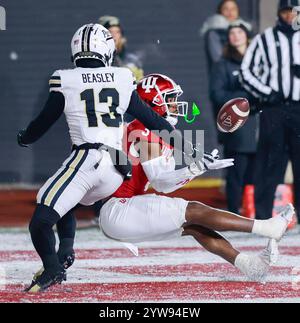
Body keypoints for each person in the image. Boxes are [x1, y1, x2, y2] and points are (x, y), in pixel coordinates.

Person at [17, 24, 206, 292]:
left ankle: (53, 268)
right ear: (106, 49)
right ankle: (66, 251)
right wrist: (189, 149)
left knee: (41, 220)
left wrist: (24, 138)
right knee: (68, 200)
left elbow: (43, 122)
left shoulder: (64, 78)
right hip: (117, 166)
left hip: (87, 158)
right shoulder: (121, 76)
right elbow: (152, 119)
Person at [98, 74, 294, 282]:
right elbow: (161, 182)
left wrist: (197, 168)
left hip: (124, 210)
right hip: (118, 209)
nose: (175, 104)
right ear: (153, 101)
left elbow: (166, 183)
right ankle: (267, 227)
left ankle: (252, 267)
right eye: (170, 98)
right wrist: (194, 168)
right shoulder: (143, 129)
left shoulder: (161, 131)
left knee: (195, 226)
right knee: (193, 210)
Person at [240, 0, 300, 221]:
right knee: (269, 162)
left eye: (293, 12)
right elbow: (245, 72)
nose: (289, 16)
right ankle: (263, 217)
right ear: (279, 13)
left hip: (299, 108)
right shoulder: (264, 39)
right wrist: (267, 92)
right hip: (273, 109)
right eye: (285, 12)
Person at [210, 22, 258, 214]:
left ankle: (257, 211)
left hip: (261, 128)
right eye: (232, 32)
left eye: (240, 32)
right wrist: (245, 99)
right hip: (238, 130)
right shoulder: (222, 65)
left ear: (247, 36)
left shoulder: (259, 62)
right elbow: (216, 94)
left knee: (259, 174)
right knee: (237, 174)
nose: (236, 35)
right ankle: (233, 213)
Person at [201, 0, 252, 73]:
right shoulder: (214, 33)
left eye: (233, 9)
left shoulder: (246, 30)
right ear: (220, 11)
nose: (230, 12)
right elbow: (217, 59)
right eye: (226, 9)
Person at [98, 15, 144, 81]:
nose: (114, 36)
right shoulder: (95, 61)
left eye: (117, 32)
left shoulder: (132, 61)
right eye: (110, 31)